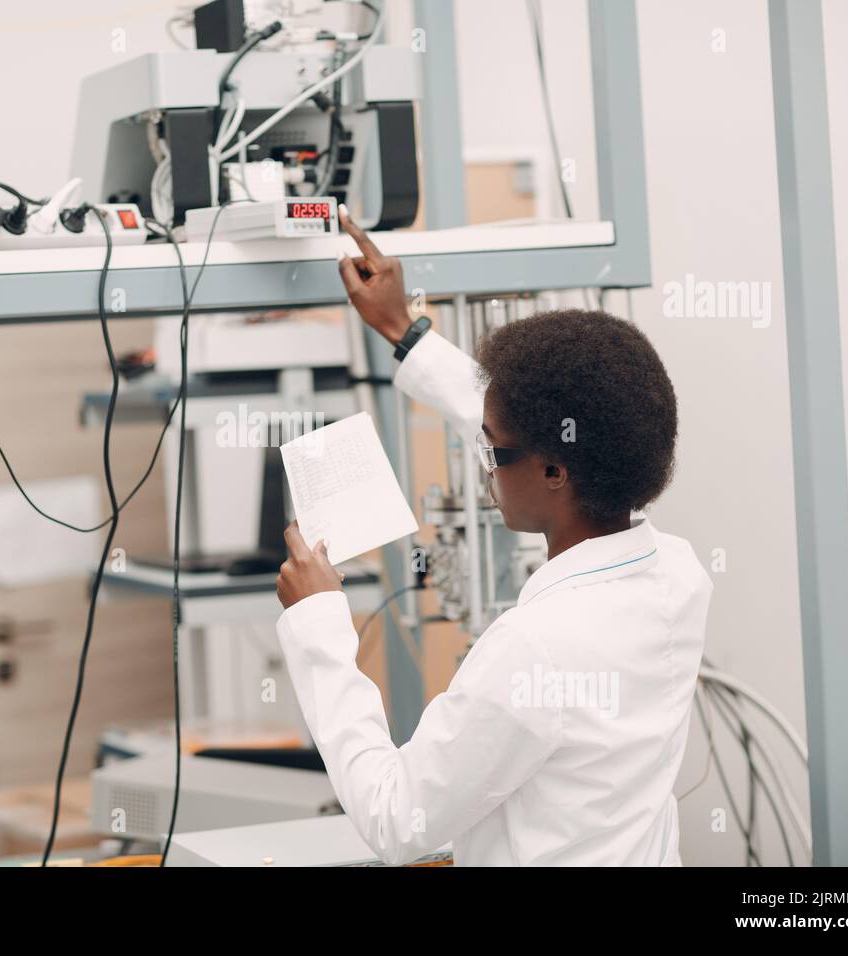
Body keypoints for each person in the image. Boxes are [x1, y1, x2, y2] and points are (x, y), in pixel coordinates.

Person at [274, 209, 712, 866]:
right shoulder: (679, 575)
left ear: (555, 470)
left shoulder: (532, 649)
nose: (485, 467)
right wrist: (405, 331)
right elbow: (543, 419)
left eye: (492, 452)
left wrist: (320, 627)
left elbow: (398, 819)